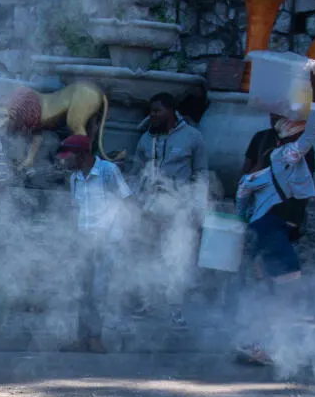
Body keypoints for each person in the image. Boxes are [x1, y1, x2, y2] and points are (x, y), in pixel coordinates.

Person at [233, 65, 315, 364]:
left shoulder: (274, 156)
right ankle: (261, 344)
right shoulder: (288, 154)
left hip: (262, 226)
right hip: (272, 227)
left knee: (270, 287)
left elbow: (242, 192)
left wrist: (246, 220)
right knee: (287, 290)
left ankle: (252, 340)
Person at [57, 133, 131, 353]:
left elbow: (127, 201)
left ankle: (95, 337)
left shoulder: (108, 171)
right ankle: (81, 338)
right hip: (85, 242)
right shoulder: (74, 179)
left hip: (107, 243)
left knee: (99, 293)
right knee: (83, 292)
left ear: (82, 155)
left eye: (67, 157)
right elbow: (76, 211)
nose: (64, 161)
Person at [133, 92, 206, 189]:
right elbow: (137, 173)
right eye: (151, 112)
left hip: (180, 199)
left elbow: (200, 173)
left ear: (171, 111)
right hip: (148, 199)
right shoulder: (145, 138)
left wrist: (198, 201)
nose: (152, 115)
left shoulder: (193, 136)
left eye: (157, 111)